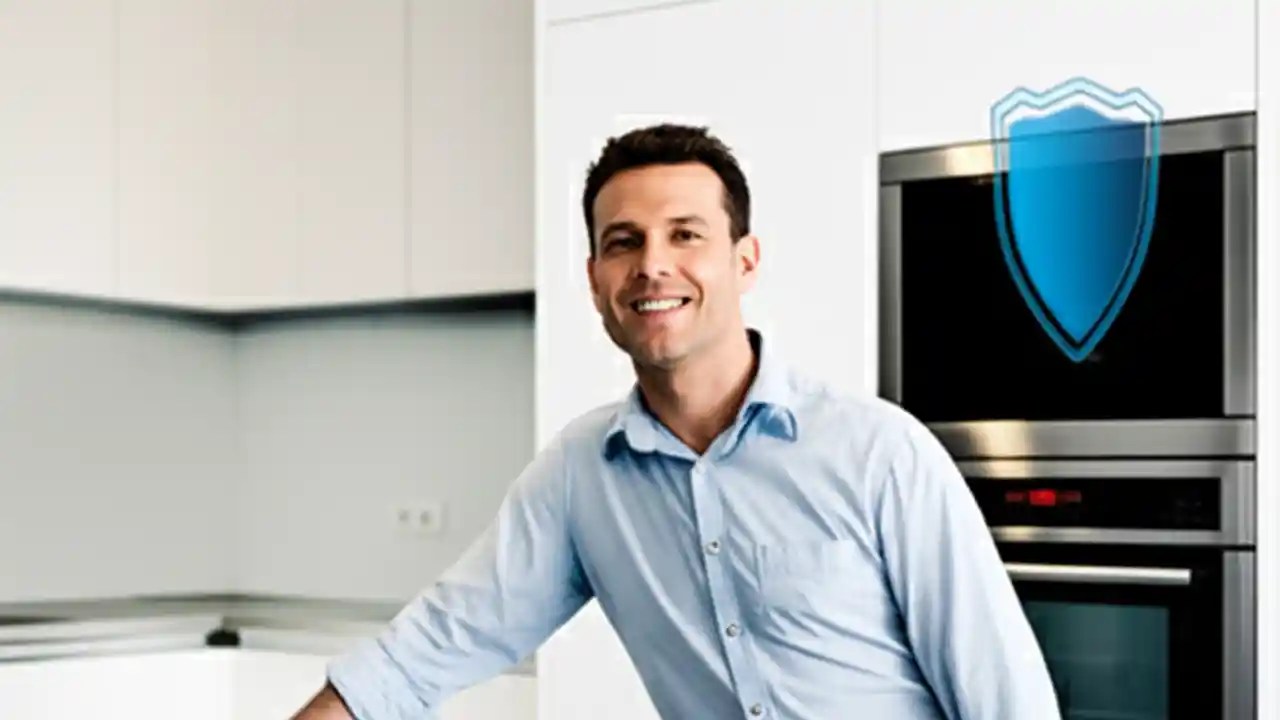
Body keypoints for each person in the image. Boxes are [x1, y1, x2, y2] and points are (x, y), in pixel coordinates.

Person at [291, 124, 1061, 719]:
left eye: (685, 234)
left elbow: (1005, 699)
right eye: (623, 243)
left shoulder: (880, 451)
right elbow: (430, 648)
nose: (652, 264)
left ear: (744, 261)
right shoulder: (580, 475)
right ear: (595, 280)